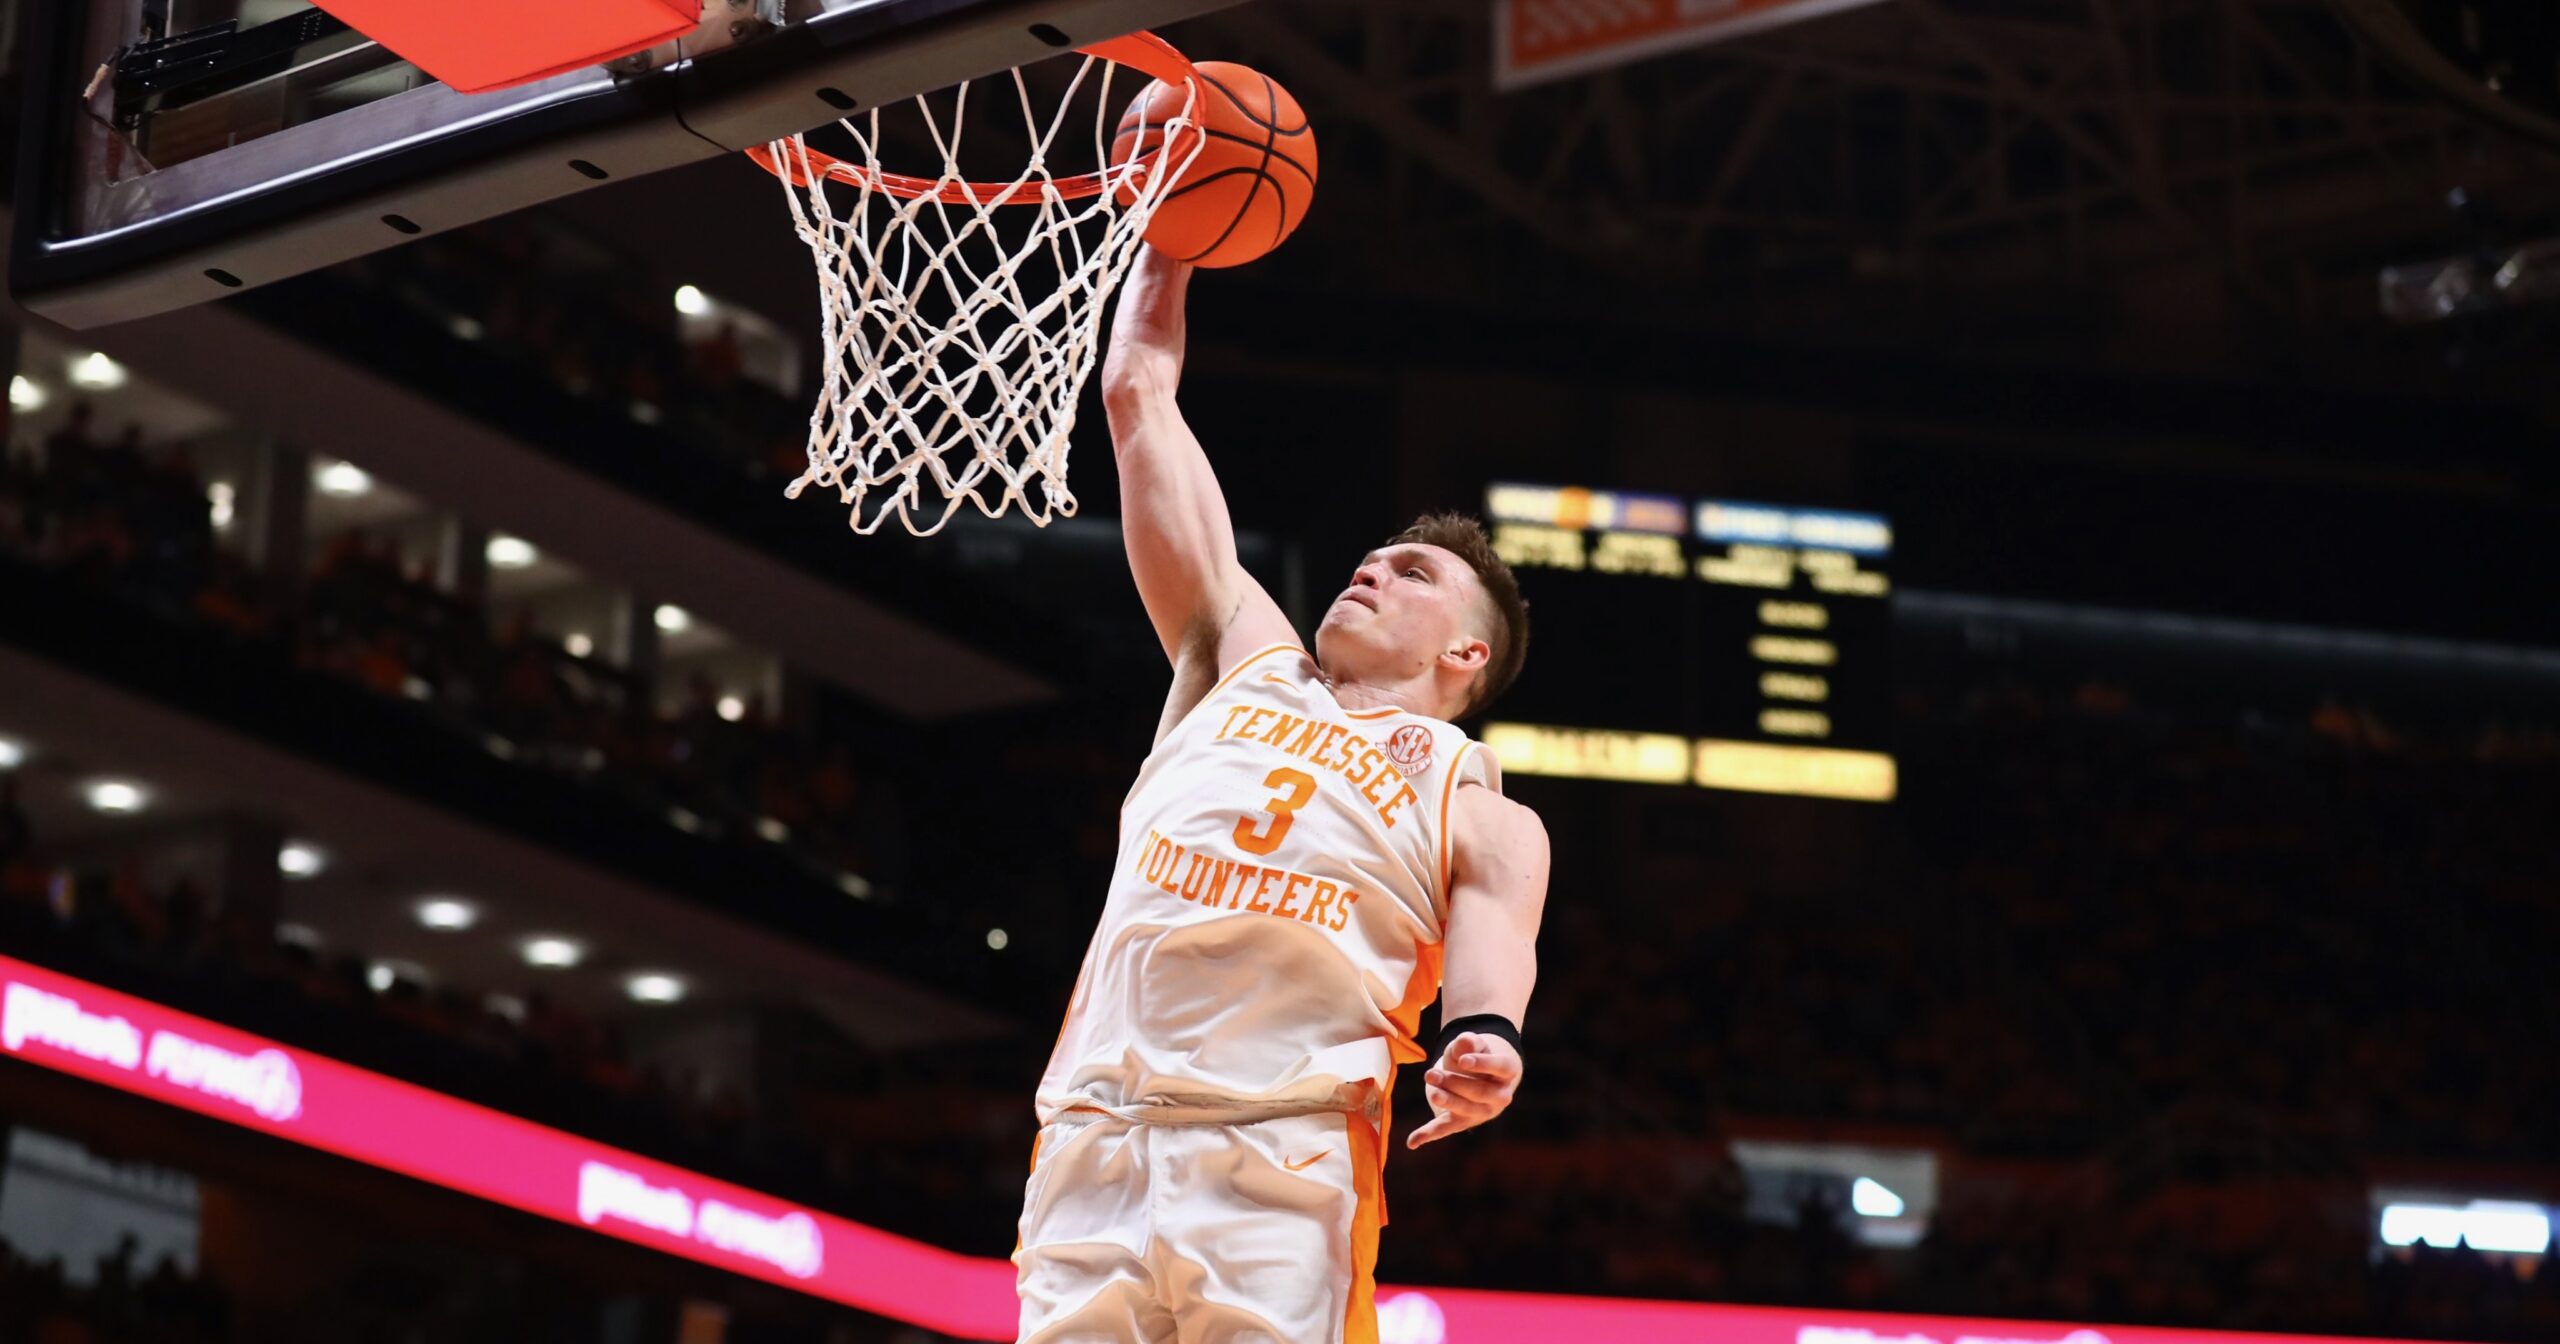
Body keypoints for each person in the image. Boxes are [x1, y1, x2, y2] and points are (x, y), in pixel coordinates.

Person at [1014, 248, 1551, 1343]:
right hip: (1093, 1133)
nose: (1372, 570)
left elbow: (1497, 929)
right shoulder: (1242, 655)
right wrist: (1165, 243)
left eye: (1413, 573)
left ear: (1464, 650)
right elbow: (1138, 396)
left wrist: (1488, 1031)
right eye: (1371, 557)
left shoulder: (1473, 791)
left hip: (1283, 1148)